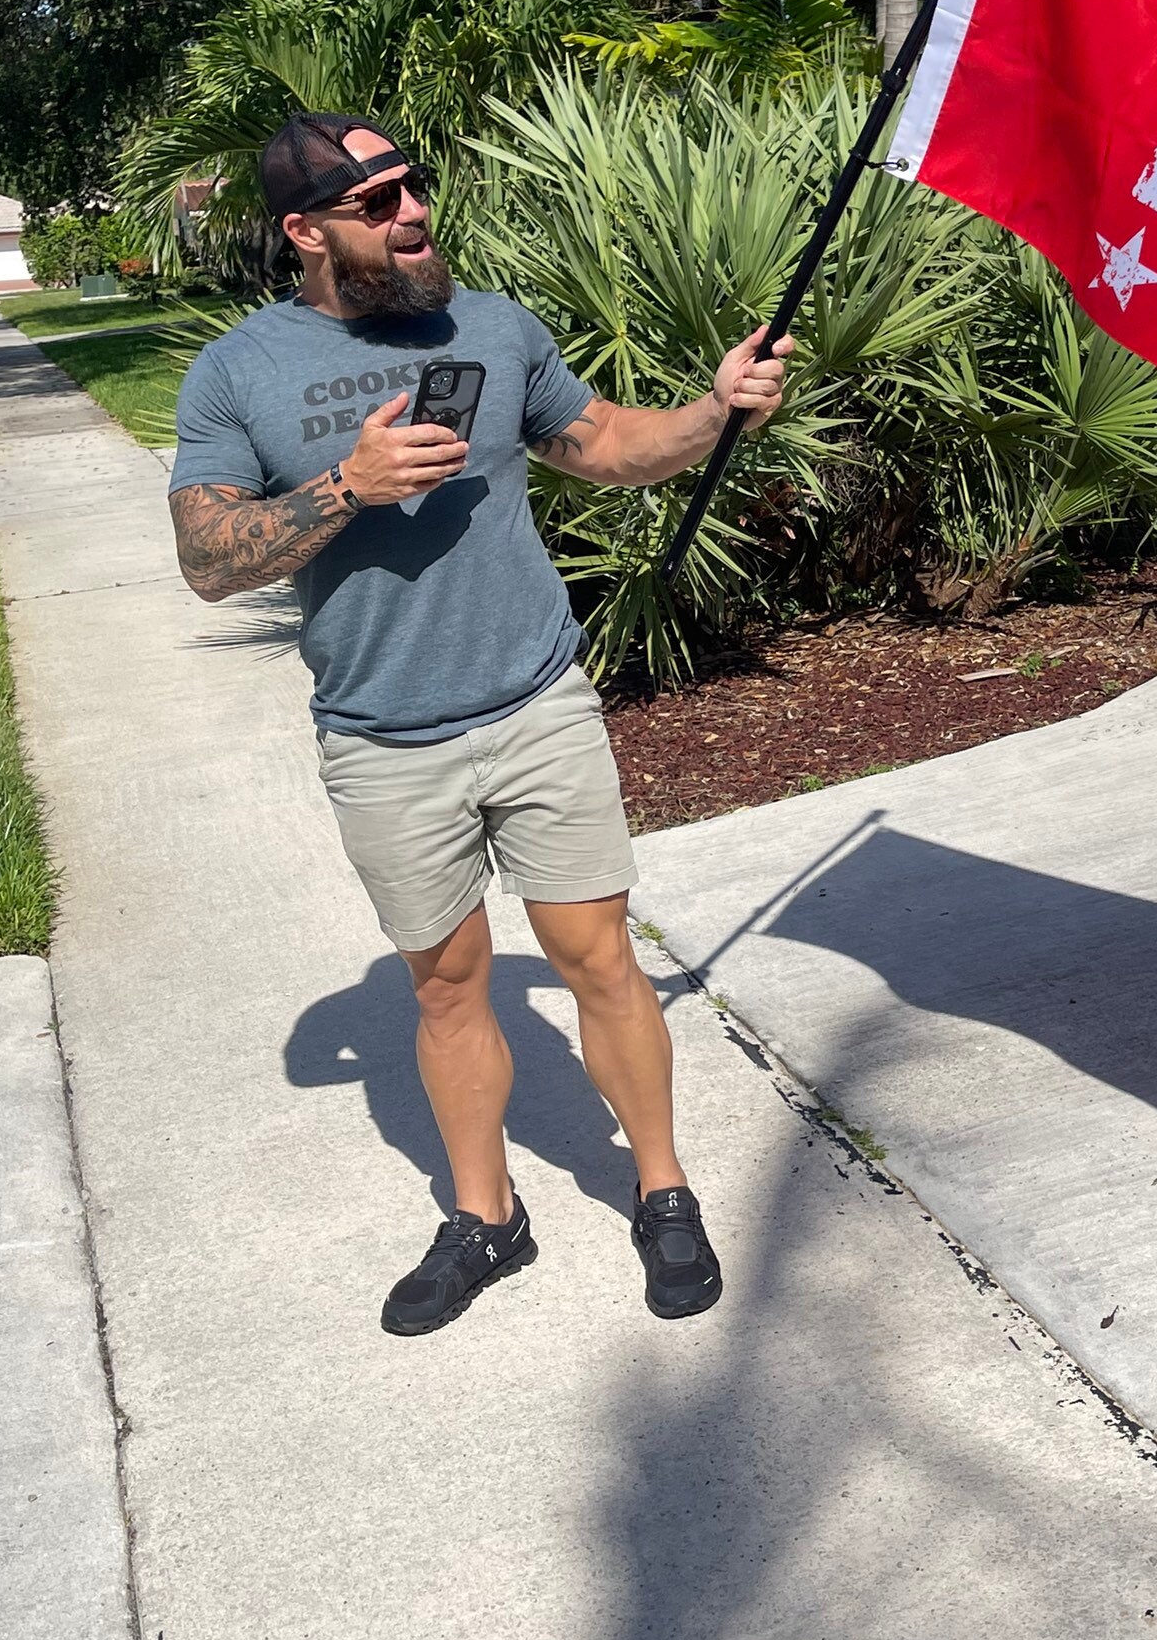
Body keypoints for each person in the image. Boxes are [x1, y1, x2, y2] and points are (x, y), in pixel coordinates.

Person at [166, 113, 790, 1337]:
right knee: (449, 989)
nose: (412, 212)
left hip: (536, 702)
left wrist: (714, 411)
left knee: (597, 958)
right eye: (378, 200)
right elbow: (206, 559)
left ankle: (661, 1187)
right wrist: (346, 486)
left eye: (415, 186)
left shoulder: (494, 327)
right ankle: (486, 1216)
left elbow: (604, 443)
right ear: (304, 231)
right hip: (382, 734)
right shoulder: (238, 371)